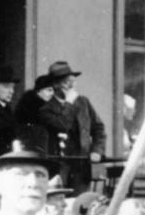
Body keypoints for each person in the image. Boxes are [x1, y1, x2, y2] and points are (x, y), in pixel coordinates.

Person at [38, 61, 106, 193]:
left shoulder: (83, 102)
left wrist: (97, 150)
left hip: (82, 165)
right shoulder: (46, 110)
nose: (71, 86)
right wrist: (69, 102)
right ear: (55, 85)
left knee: (79, 204)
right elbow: (62, 125)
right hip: (61, 166)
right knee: (60, 199)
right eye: (66, 82)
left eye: (73, 82)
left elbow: (98, 128)